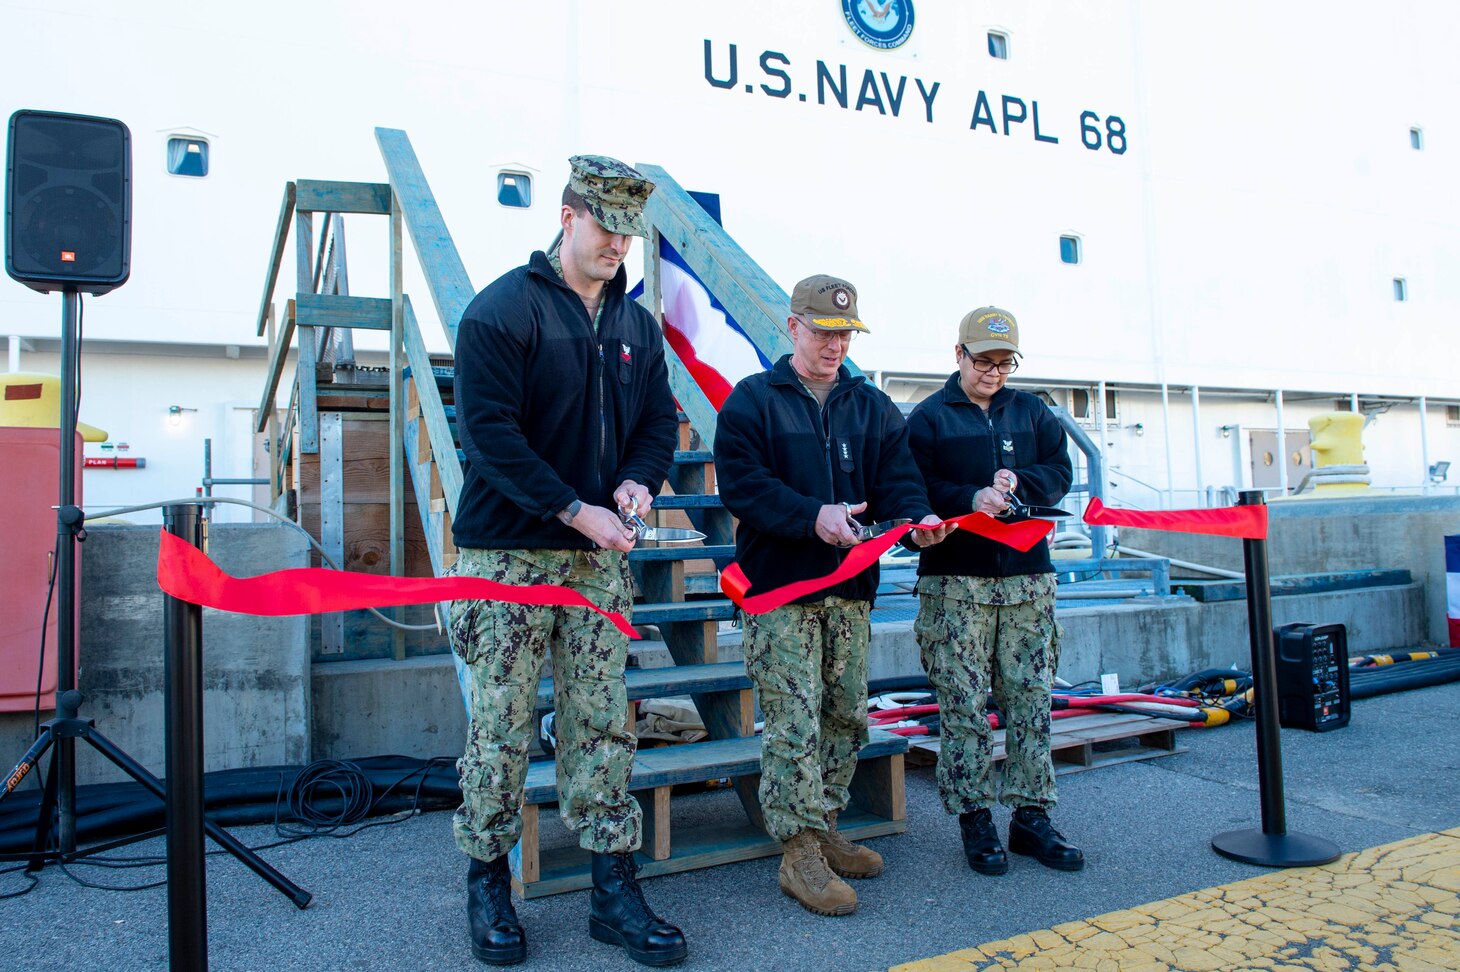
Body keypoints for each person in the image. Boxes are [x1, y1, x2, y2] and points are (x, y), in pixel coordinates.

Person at [446, 155, 687, 967]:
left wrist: (636, 481)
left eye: (630, 230)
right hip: (506, 556)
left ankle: (613, 890)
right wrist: (573, 507)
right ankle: (487, 882)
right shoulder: (499, 312)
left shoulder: (634, 325)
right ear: (567, 214)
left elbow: (659, 421)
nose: (619, 242)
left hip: (595, 563)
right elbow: (490, 436)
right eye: (606, 224)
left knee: (599, 725)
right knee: (501, 727)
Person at [714, 275, 954, 916]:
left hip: (851, 592)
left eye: (845, 334)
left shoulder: (871, 406)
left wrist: (919, 520)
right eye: (823, 332)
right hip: (780, 592)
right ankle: (798, 853)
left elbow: (899, 480)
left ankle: (823, 827)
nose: (835, 345)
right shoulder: (752, 402)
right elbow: (743, 486)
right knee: (793, 721)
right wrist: (810, 515)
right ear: (792, 326)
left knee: (845, 714)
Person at [907, 306, 1083, 876]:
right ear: (958, 355)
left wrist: (1017, 481)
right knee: (962, 707)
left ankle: (1032, 817)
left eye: (1004, 363)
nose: (993, 373)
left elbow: (1060, 471)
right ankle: (974, 818)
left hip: (1028, 577)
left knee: (1032, 701)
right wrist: (969, 497)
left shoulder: (1032, 412)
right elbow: (913, 485)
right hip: (955, 581)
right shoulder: (929, 418)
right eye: (983, 361)